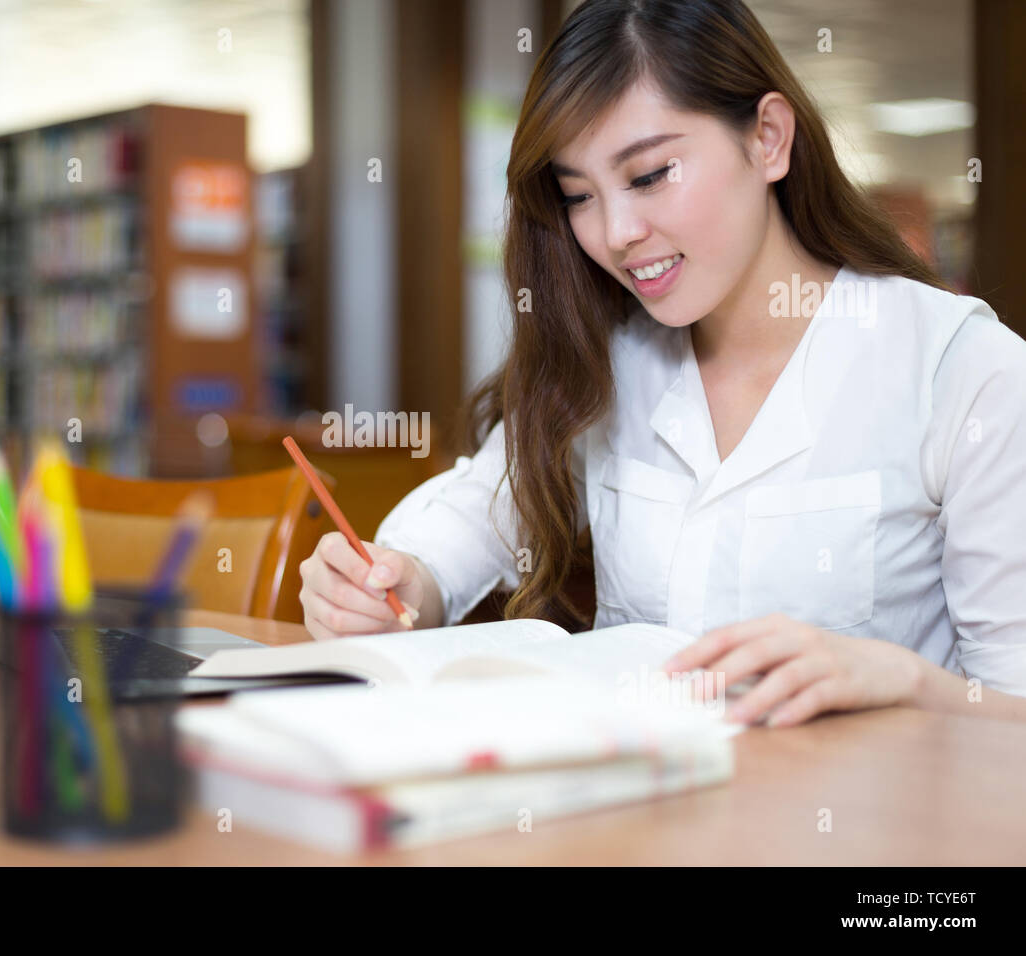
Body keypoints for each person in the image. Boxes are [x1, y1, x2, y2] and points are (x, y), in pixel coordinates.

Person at [297, 0, 1026, 725]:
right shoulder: (607, 358)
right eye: (579, 195)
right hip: (634, 817)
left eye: (649, 176)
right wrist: (391, 589)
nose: (616, 233)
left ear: (769, 139)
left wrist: (898, 679)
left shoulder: (961, 370)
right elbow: (469, 518)